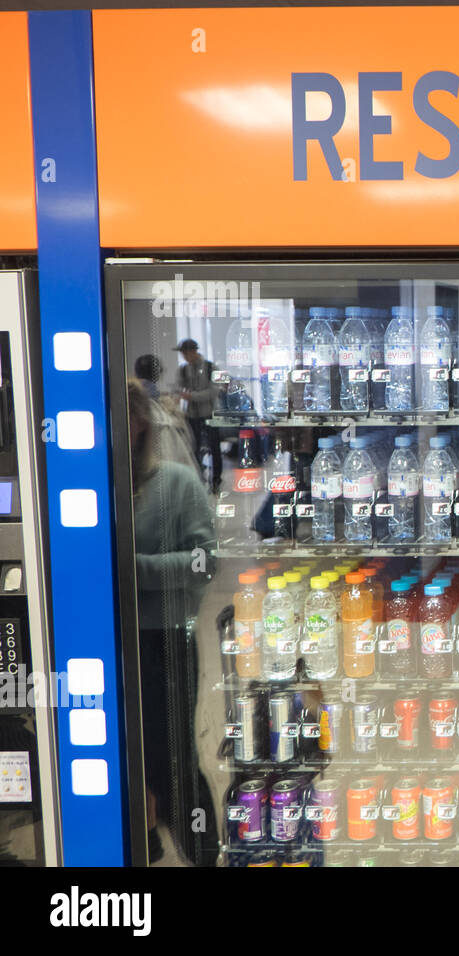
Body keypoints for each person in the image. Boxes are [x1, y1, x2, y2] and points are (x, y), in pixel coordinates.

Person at [128, 378, 217, 865]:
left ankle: (203, 853)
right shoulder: (94, 489)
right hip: (102, 643)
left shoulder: (176, 485)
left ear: (138, 424)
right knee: (125, 759)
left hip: (164, 641)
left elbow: (207, 562)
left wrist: (136, 570)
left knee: (175, 759)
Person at [173, 339, 222, 492]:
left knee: (214, 448)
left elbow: (215, 391)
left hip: (211, 414)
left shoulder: (211, 367)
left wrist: (191, 396)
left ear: (193, 352)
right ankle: (198, 479)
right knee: (194, 448)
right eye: (182, 354)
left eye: (185, 353)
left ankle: (216, 481)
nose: (184, 356)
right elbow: (177, 388)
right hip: (191, 415)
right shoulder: (182, 370)